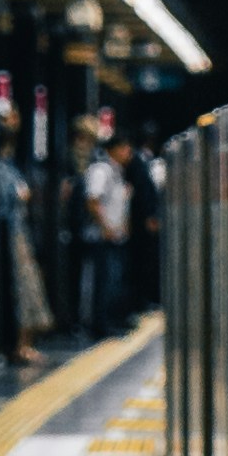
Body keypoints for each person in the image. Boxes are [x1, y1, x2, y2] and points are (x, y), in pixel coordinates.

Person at [0, 128, 50, 365]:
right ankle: (20, 345)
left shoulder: (9, 167)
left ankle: (25, 342)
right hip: (13, 232)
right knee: (23, 288)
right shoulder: (1, 169)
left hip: (19, 231)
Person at [82, 132, 132, 334]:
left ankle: (110, 321)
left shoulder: (116, 171)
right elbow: (93, 201)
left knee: (112, 280)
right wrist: (106, 228)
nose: (128, 153)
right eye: (125, 148)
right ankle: (100, 324)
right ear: (114, 149)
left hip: (114, 235)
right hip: (102, 237)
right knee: (102, 282)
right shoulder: (101, 170)